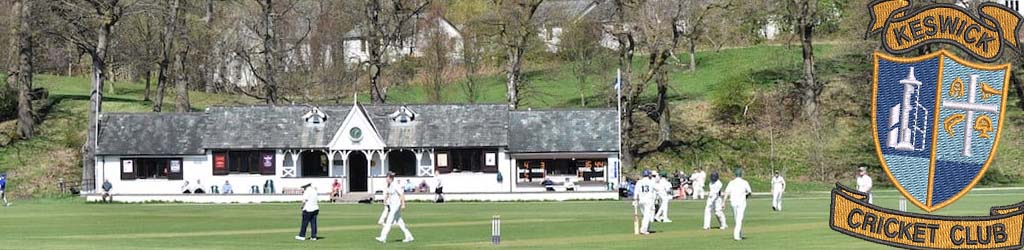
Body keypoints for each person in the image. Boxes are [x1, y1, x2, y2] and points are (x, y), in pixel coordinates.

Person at [376, 172, 414, 243]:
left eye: (387, 178)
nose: (386, 179)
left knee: (389, 221)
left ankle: (383, 237)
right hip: (392, 205)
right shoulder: (389, 185)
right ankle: (409, 236)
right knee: (400, 222)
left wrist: (403, 204)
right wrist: (384, 200)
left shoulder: (396, 185)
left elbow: (402, 194)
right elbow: (388, 193)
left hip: (396, 205)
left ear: (390, 178)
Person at [723, 168, 752, 241]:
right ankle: (736, 236)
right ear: (741, 174)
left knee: (737, 219)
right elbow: (749, 192)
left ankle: (740, 234)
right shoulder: (744, 182)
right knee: (739, 219)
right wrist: (746, 196)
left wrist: (723, 202)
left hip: (733, 202)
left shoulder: (731, 182)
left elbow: (726, 193)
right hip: (741, 202)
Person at [634, 170, 657, 235]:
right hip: (648, 200)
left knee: (645, 215)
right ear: (648, 175)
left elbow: (636, 191)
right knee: (647, 215)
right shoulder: (651, 181)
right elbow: (656, 188)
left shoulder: (639, 182)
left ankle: (647, 229)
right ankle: (643, 230)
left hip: (641, 200)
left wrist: (635, 200)